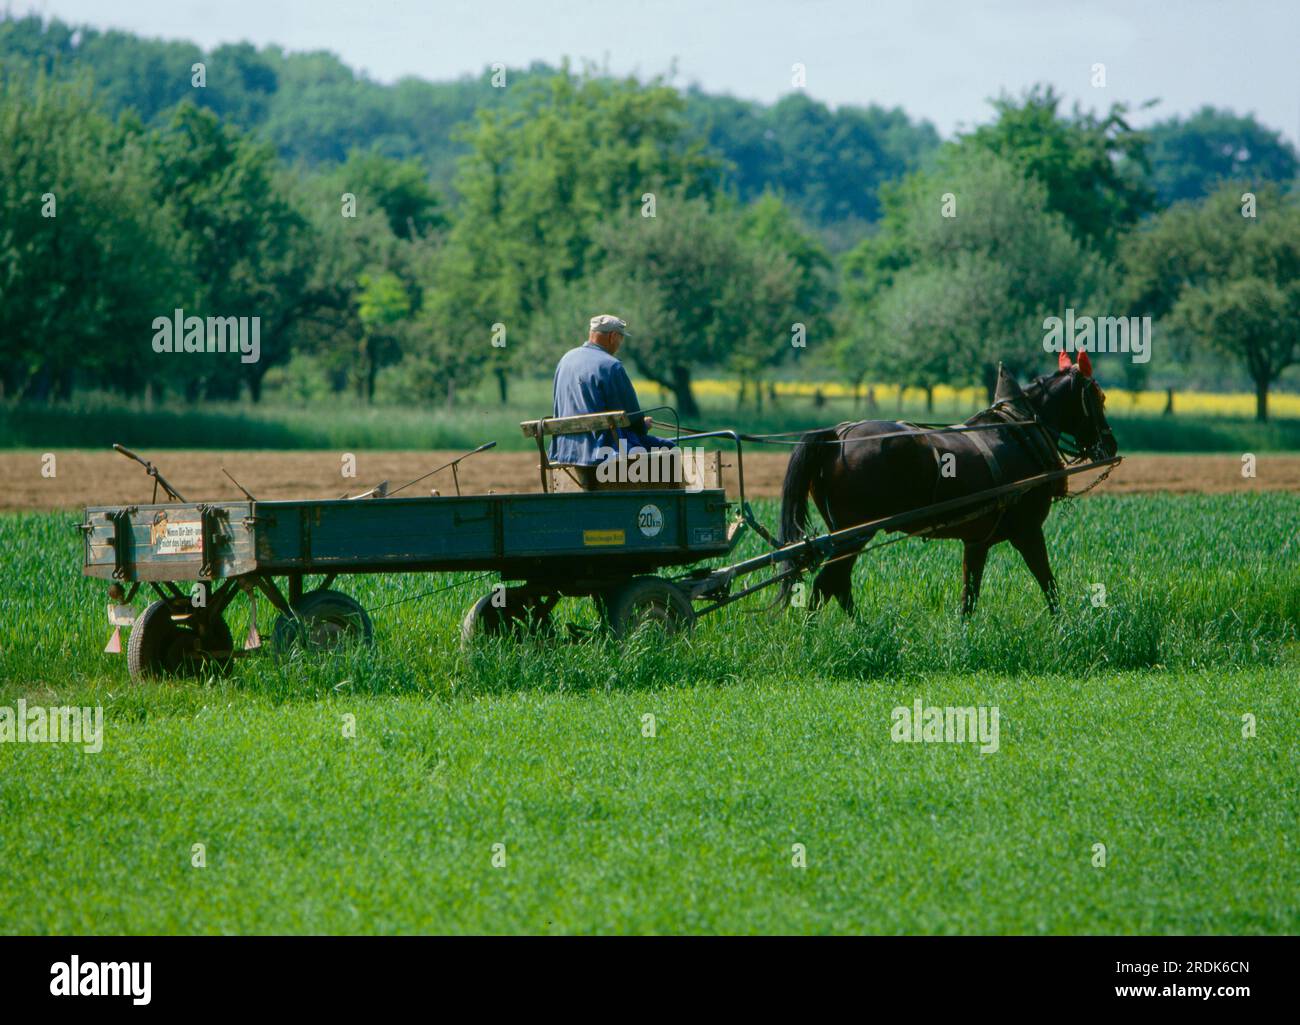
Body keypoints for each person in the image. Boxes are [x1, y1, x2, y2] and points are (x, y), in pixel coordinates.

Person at [548, 314, 675, 465]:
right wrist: (643, 425)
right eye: (621, 338)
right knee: (670, 448)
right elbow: (632, 418)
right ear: (613, 336)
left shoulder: (565, 360)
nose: (620, 343)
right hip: (601, 451)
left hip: (564, 450)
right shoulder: (611, 366)